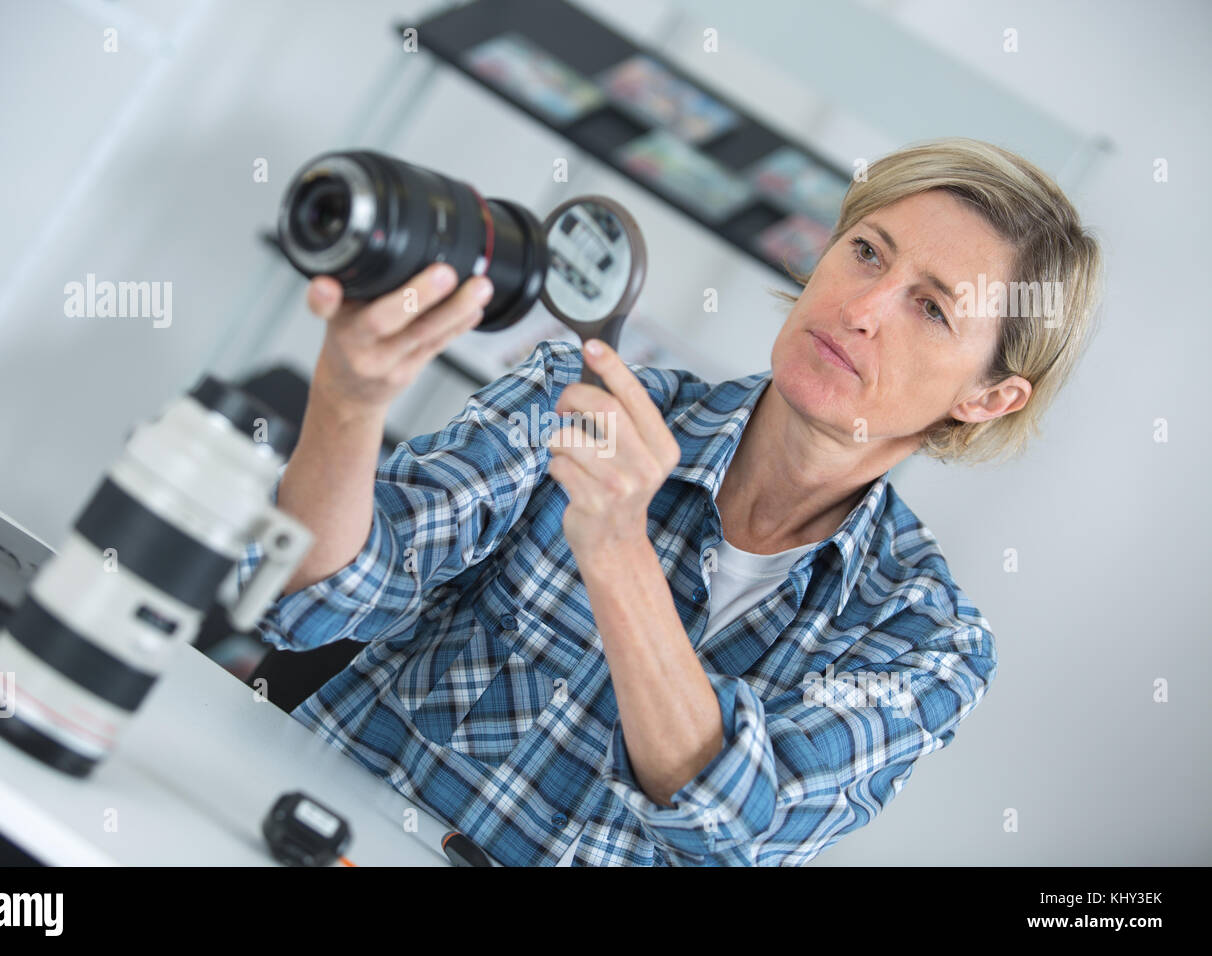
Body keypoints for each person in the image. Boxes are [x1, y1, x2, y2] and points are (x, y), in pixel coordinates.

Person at [236, 137, 1103, 866]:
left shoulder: (928, 644)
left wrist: (618, 548)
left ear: (988, 399)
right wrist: (349, 398)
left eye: (932, 309)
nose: (865, 308)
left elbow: (730, 822)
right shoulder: (575, 400)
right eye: (867, 252)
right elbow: (305, 598)